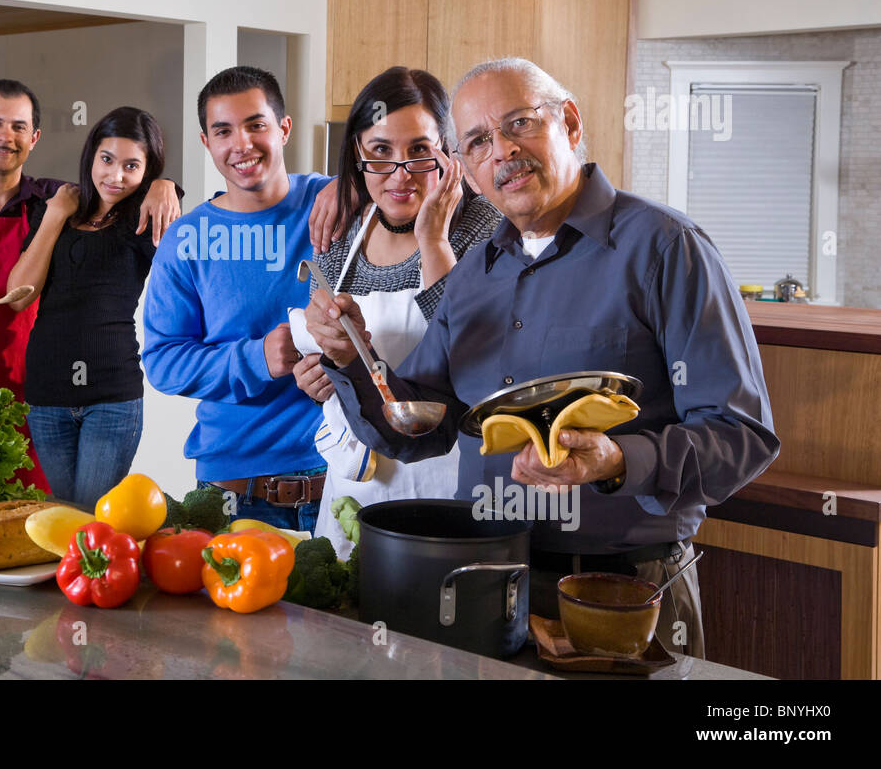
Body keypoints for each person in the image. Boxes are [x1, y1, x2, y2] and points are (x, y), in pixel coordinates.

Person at [307, 57, 779, 656]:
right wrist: (353, 358)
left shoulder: (665, 249)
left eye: (520, 124)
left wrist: (615, 460)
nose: (501, 151)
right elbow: (419, 427)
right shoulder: (475, 271)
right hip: (486, 583)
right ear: (467, 171)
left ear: (571, 124)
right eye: (477, 141)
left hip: (623, 592)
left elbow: (742, 436)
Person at [0, 79, 180, 492]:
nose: (6, 136)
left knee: (53, 523)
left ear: (34, 137)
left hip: (40, 391)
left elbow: (124, 191)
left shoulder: (61, 201)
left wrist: (164, 185)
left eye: (19, 126)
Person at [290, 67, 502, 558]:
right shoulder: (343, 234)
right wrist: (318, 374)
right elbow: (333, 357)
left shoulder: (487, 229)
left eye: (419, 152)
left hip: (445, 487)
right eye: (381, 152)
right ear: (358, 158)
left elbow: (476, 358)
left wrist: (432, 239)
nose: (400, 174)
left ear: (448, 155)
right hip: (354, 488)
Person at [142, 66, 332, 533]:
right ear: (207, 143)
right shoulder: (187, 240)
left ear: (284, 128)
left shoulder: (333, 202)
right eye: (223, 131)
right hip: (236, 492)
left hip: (345, 481)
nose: (241, 144)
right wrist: (258, 358)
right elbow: (163, 362)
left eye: (256, 124)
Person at [3, 107, 166, 507]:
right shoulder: (53, 210)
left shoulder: (143, 219)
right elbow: (18, 295)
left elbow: (184, 253)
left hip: (111, 397)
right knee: (61, 518)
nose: (116, 176)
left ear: (147, 171)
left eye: (133, 166)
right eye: (107, 160)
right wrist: (57, 214)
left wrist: (166, 186)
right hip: (45, 393)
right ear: (91, 155)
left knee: (93, 521)